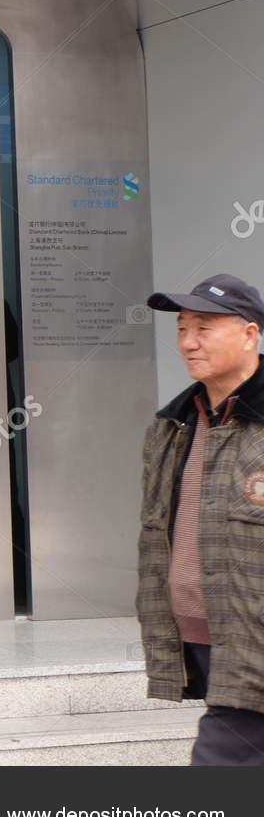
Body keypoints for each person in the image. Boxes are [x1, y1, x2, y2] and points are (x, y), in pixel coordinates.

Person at [140, 273, 264, 766]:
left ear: (251, 334)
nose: (189, 342)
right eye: (182, 328)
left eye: (205, 328)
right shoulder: (171, 427)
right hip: (202, 634)